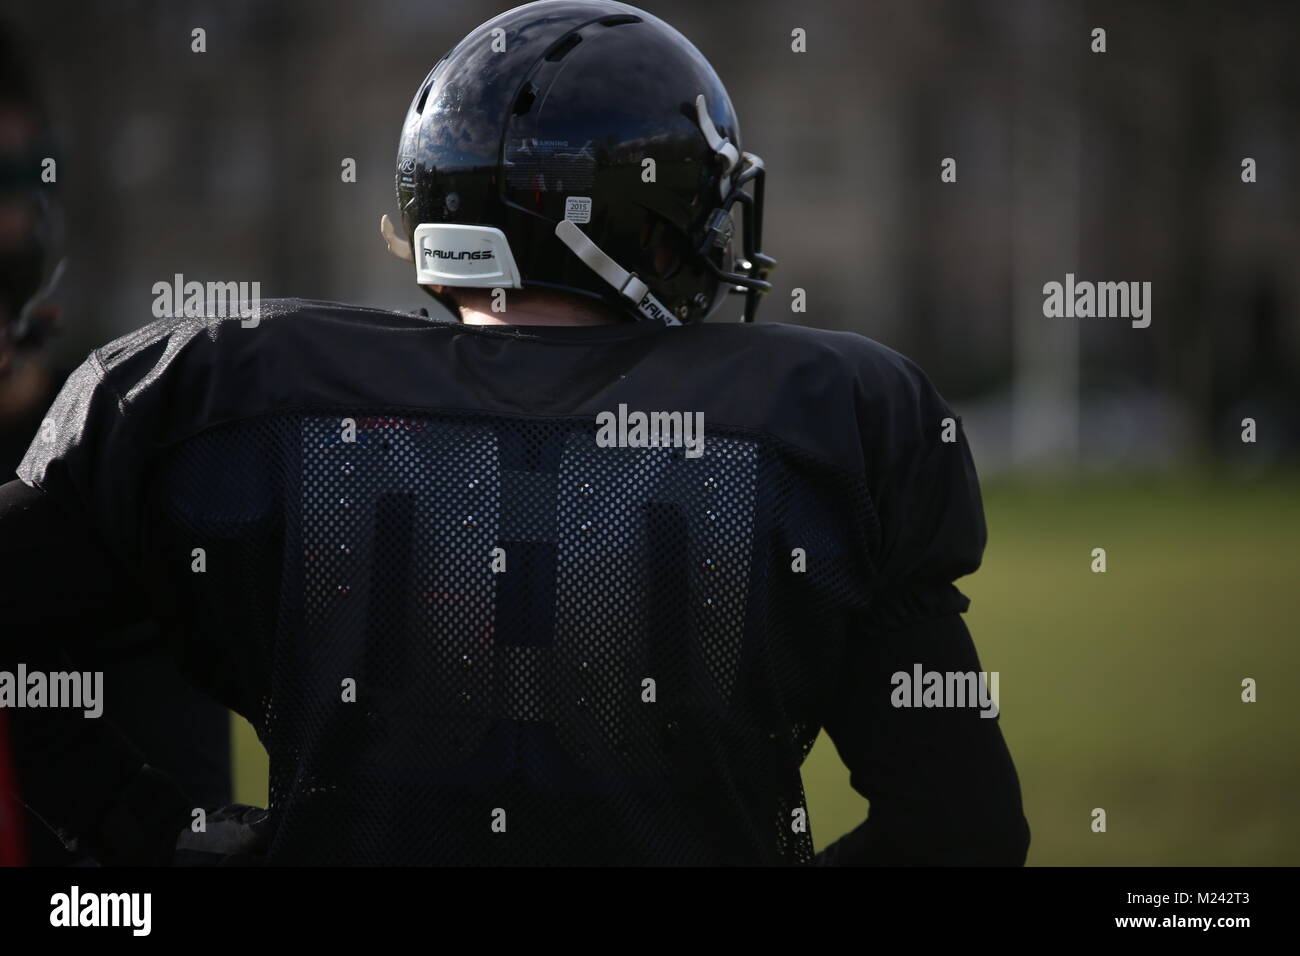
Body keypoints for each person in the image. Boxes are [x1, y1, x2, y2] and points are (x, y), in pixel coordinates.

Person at [0, 0, 1028, 865]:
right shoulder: (829, 418)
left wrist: (145, 831)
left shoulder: (215, 394)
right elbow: (963, 824)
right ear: (645, 221)